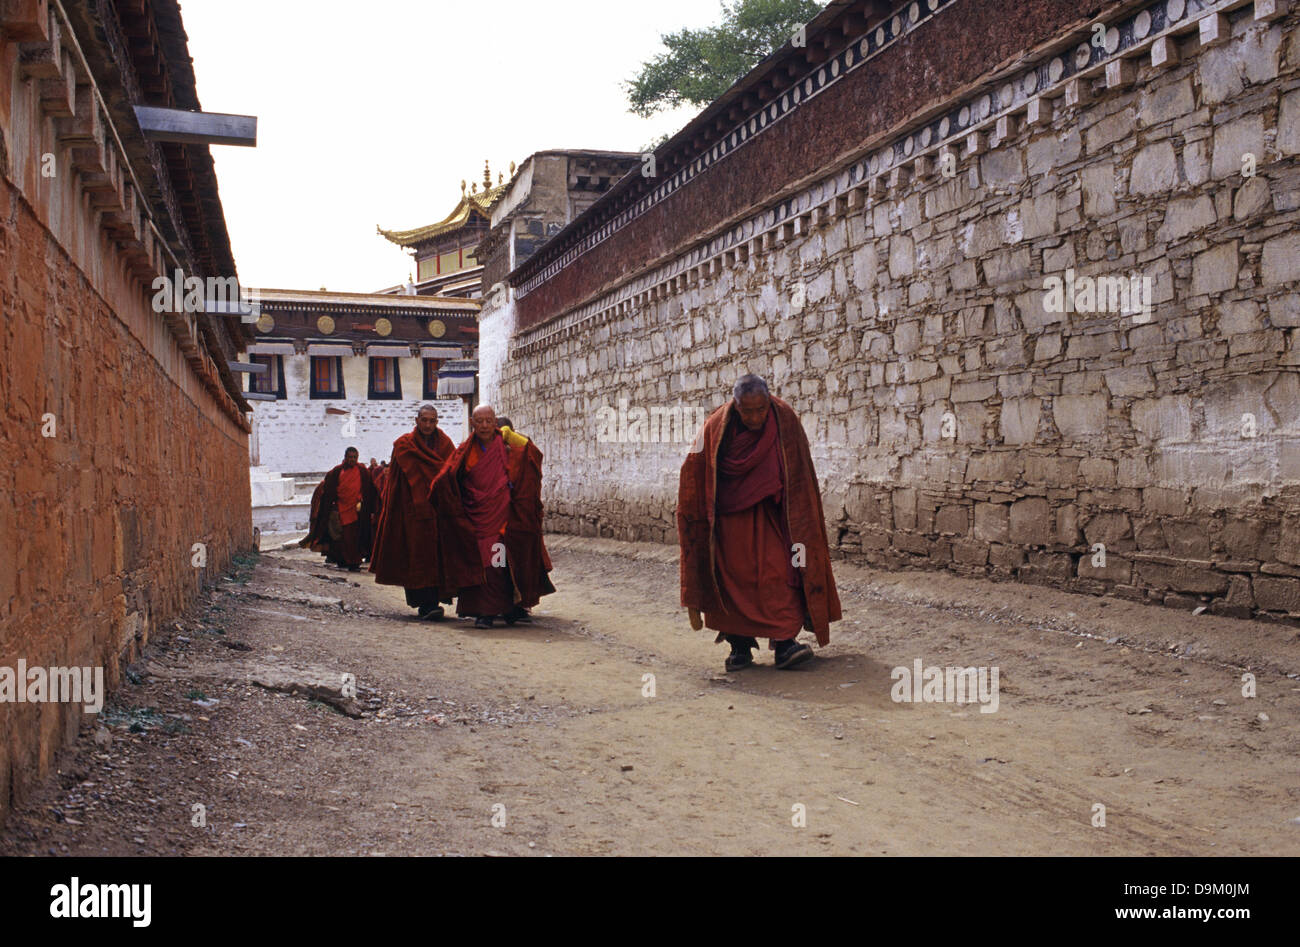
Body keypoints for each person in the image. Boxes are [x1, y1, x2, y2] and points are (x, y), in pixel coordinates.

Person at [677, 375, 841, 671]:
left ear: (769, 402)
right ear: (735, 406)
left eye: (760, 410)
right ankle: (739, 647)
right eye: (747, 411)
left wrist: (801, 519)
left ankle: (785, 642)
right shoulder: (716, 425)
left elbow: (800, 470)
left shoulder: (785, 419)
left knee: (781, 575)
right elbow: (693, 468)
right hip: (729, 526)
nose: (754, 417)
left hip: (775, 519)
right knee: (731, 584)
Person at [431, 404, 555, 628]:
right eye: (480, 422)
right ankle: (483, 611)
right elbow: (446, 477)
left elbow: (532, 456)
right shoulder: (465, 450)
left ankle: (503, 608)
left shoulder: (508, 445)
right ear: (472, 423)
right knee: (481, 564)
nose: (485, 426)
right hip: (476, 515)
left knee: (500, 564)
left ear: (495, 422)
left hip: (503, 516)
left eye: (489, 421)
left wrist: (518, 439)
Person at [370, 405, 457, 620]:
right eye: (424, 420)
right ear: (416, 420)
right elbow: (395, 483)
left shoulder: (445, 445)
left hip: (438, 511)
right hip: (412, 513)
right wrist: (393, 513)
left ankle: (434, 602)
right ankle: (424, 604)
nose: (428, 425)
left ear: (437, 422)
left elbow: (453, 475)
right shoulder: (404, 446)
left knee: (437, 556)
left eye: (432, 421)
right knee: (417, 557)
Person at [300, 447, 378, 572]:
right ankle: (342, 560)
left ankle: (354, 562)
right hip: (340, 509)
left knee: (354, 537)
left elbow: (369, 490)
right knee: (340, 537)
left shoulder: (362, 471)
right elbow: (329, 492)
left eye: (354, 457)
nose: (352, 460)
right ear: (345, 457)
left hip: (356, 510)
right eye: (350, 457)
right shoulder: (336, 472)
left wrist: (367, 505)